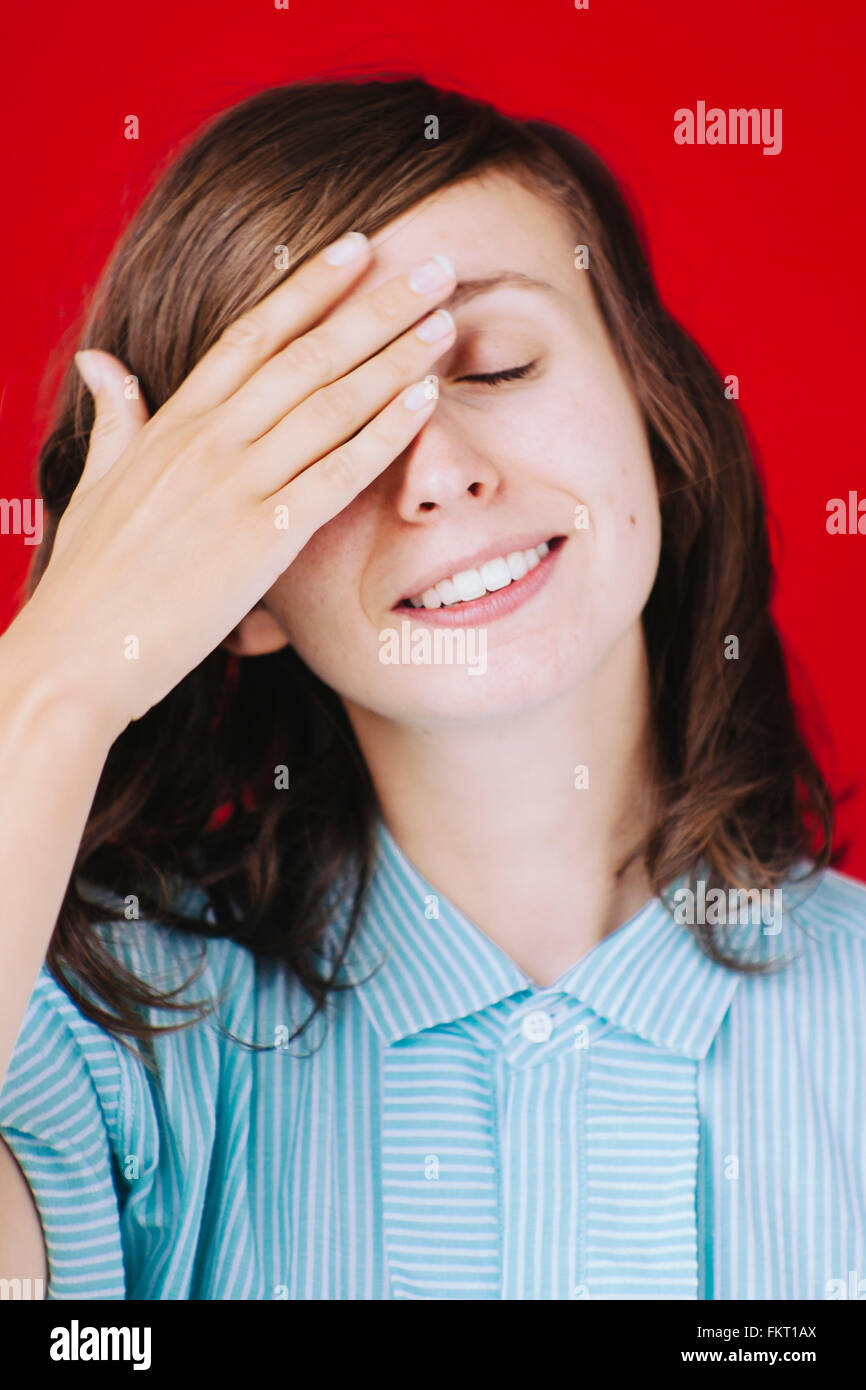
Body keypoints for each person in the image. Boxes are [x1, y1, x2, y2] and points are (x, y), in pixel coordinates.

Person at [0, 75, 863, 1302]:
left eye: (499, 364)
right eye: (326, 431)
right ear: (231, 585)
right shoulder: (105, 1061)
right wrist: (68, 666)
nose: (437, 473)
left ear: (651, 412)